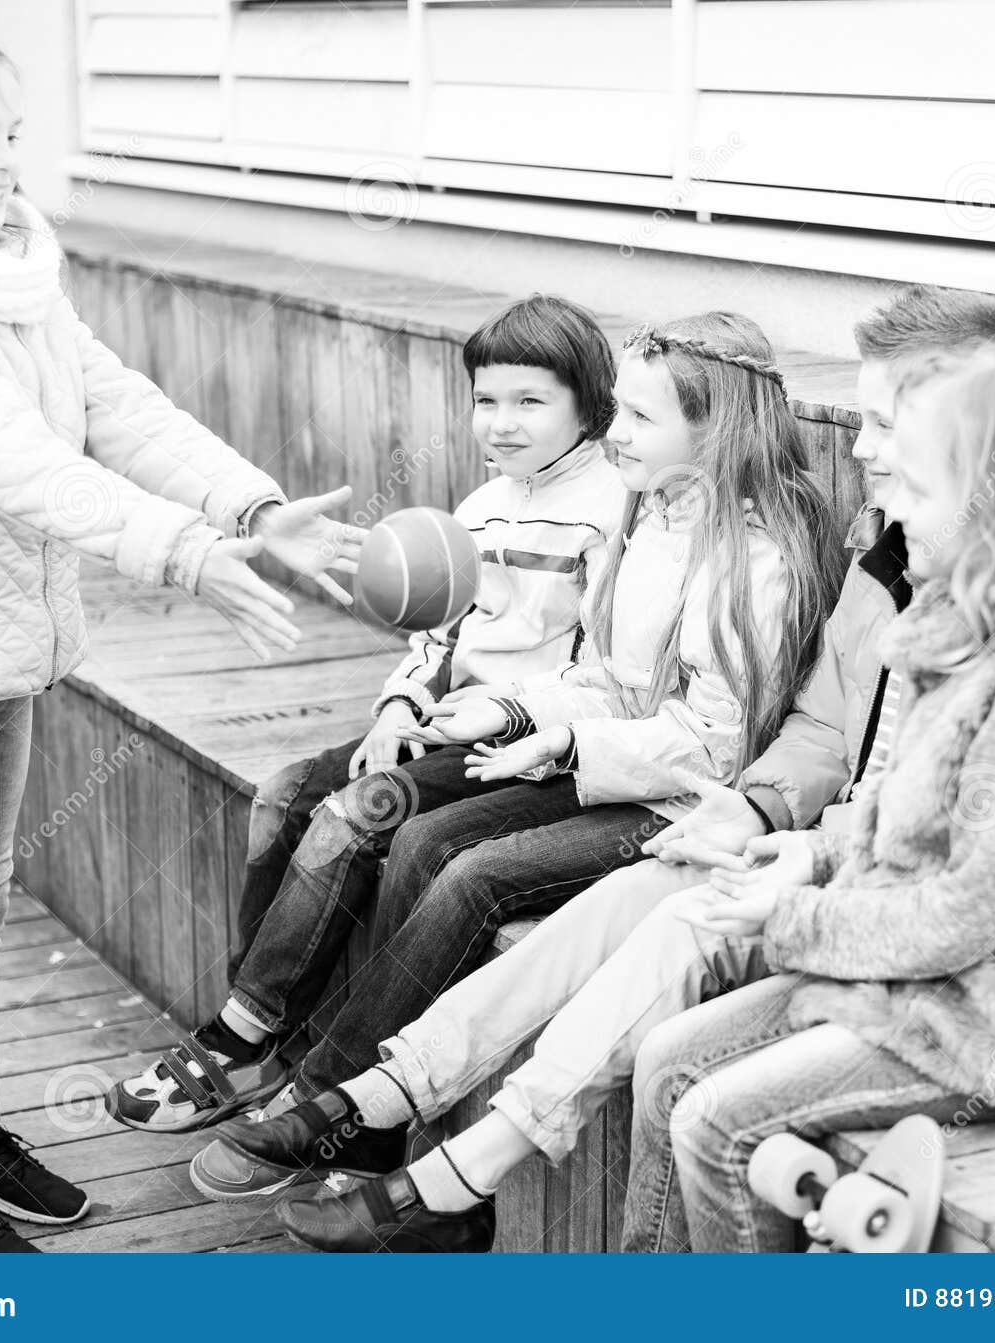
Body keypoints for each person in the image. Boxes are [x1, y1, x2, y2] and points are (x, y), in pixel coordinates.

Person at [258, 339, 995, 1253]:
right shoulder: (947, 626)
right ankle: (420, 1129)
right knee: (664, 1054)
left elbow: (965, 915)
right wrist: (797, 849)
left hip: (991, 1023)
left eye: (917, 491)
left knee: (712, 1114)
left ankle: (441, 1166)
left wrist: (787, 910)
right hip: (901, 967)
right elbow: (889, 814)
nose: (882, 502)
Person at [0, 23, 360, 1252]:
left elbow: (121, 407)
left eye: (17, 134)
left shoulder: (17, 273)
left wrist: (253, 508)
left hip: (4, 651)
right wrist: (193, 555)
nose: (8, 161)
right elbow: (34, 474)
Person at [189, 312, 844, 1204]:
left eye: (638, 419)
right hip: (610, 765)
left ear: (713, 429)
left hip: (682, 808)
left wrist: (570, 740)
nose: (616, 433)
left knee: (472, 876)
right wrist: (511, 708)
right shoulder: (651, 517)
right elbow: (604, 678)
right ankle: (363, 1122)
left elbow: (717, 742)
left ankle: (331, 1100)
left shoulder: (757, 559)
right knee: (414, 840)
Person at [103, 294, 627, 1131]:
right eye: (487, 400)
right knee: (283, 793)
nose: (503, 422)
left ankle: (240, 1038)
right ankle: (267, 1030)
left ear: (589, 401)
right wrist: (396, 703)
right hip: (443, 720)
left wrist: (499, 712)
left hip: (525, 744)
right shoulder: (482, 505)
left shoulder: (611, 510)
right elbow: (438, 635)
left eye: (532, 401)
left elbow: (604, 669)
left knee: (356, 817)